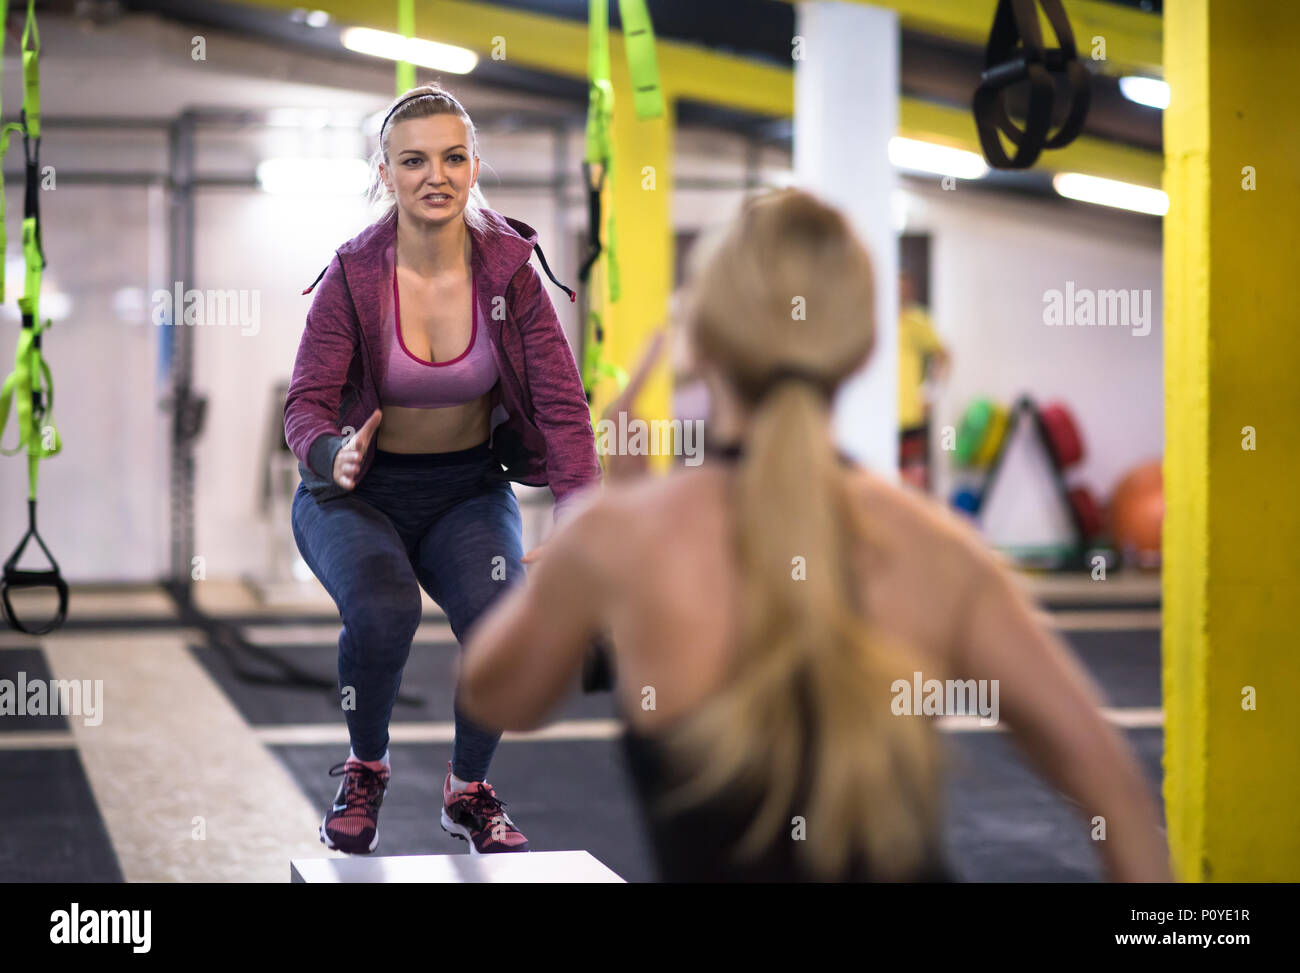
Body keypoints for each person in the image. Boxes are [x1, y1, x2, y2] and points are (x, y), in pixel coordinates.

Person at [455, 188, 1173, 882]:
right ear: (861, 351)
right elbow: (1111, 782)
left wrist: (593, 529)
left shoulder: (625, 538)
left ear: (700, 344)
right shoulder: (940, 551)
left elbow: (496, 696)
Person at [283, 84, 601, 855]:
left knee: (502, 621)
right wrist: (335, 451)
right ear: (384, 173)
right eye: (415, 160)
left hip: (465, 488)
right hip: (357, 494)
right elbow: (305, 407)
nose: (437, 175)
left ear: (474, 166)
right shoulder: (353, 275)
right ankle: (366, 767)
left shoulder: (512, 272)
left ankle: (469, 790)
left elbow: (562, 403)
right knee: (385, 607)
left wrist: (580, 505)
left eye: (454, 157)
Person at [897, 268, 950, 492]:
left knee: (911, 484)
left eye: (905, 287)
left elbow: (943, 357)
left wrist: (931, 392)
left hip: (911, 416)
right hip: (879, 416)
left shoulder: (919, 321)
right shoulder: (876, 318)